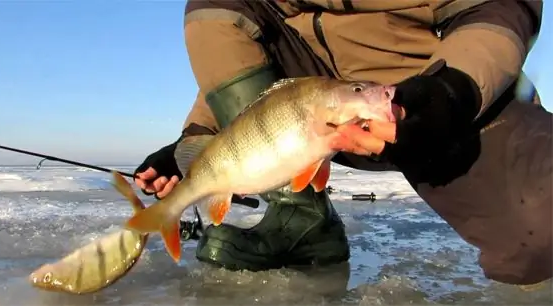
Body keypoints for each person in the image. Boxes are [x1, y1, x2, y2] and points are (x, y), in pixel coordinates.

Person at [134, 0, 551, 286]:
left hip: (437, 86)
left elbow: (497, 8)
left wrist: (450, 93)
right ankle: (300, 216)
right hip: (319, 107)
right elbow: (256, 85)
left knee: (541, 230)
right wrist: (196, 140)